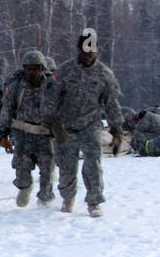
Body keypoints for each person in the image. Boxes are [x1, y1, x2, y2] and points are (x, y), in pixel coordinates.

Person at [46, 33, 123, 217]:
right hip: (66, 126)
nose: (89, 54)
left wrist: (117, 129)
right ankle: (68, 197)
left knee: (93, 164)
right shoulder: (65, 71)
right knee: (66, 165)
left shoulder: (104, 74)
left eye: (92, 50)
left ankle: (94, 201)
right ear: (79, 50)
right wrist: (52, 121)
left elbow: (111, 103)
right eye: (85, 50)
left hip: (91, 124)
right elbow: (49, 96)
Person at [0, 50, 56, 207]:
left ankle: (45, 198)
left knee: (47, 170)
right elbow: (7, 109)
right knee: (22, 169)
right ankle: (25, 188)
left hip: (44, 135)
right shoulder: (16, 86)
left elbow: (61, 108)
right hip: (22, 135)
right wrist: (2, 132)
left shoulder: (51, 86)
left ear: (41, 68)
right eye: (29, 69)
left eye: (35, 68)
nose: (32, 72)